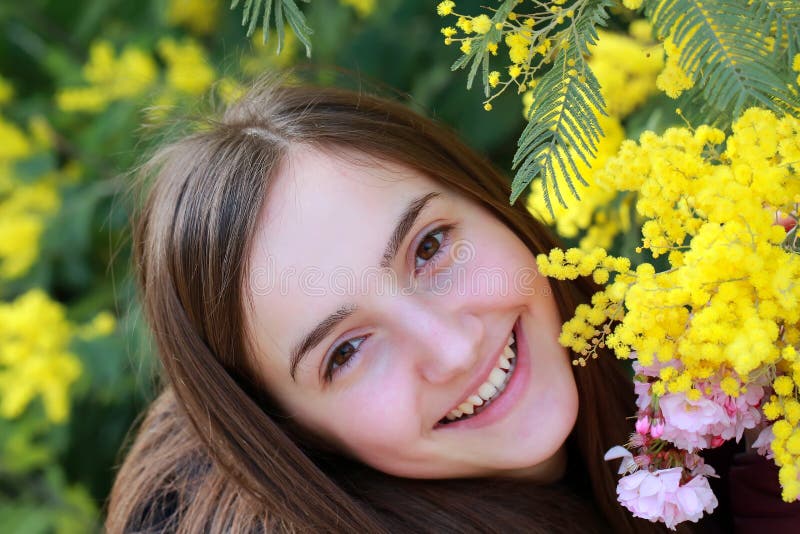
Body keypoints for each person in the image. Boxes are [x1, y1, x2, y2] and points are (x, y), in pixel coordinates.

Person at [106, 78, 699, 534]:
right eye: (346, 352)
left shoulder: (705, 348)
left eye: (430, 247)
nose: (453, 348)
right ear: (293, 436)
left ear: (486, 198)